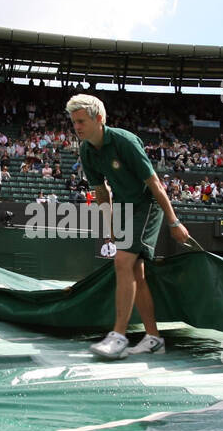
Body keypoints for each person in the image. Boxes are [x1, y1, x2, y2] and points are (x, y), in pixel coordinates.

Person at [67, 94, 190, 359]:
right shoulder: (87, 150)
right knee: (135, 272)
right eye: (73, 122)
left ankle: (118, 337)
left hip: (146, 206)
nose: (76, 127)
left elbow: (155, 184)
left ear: (99, 119)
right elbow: (101, 192)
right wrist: (110, 224)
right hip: (124, 208)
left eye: (81, 121)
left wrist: (174, 221)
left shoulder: (125, 142)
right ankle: (154, 338)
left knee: (122, 262)